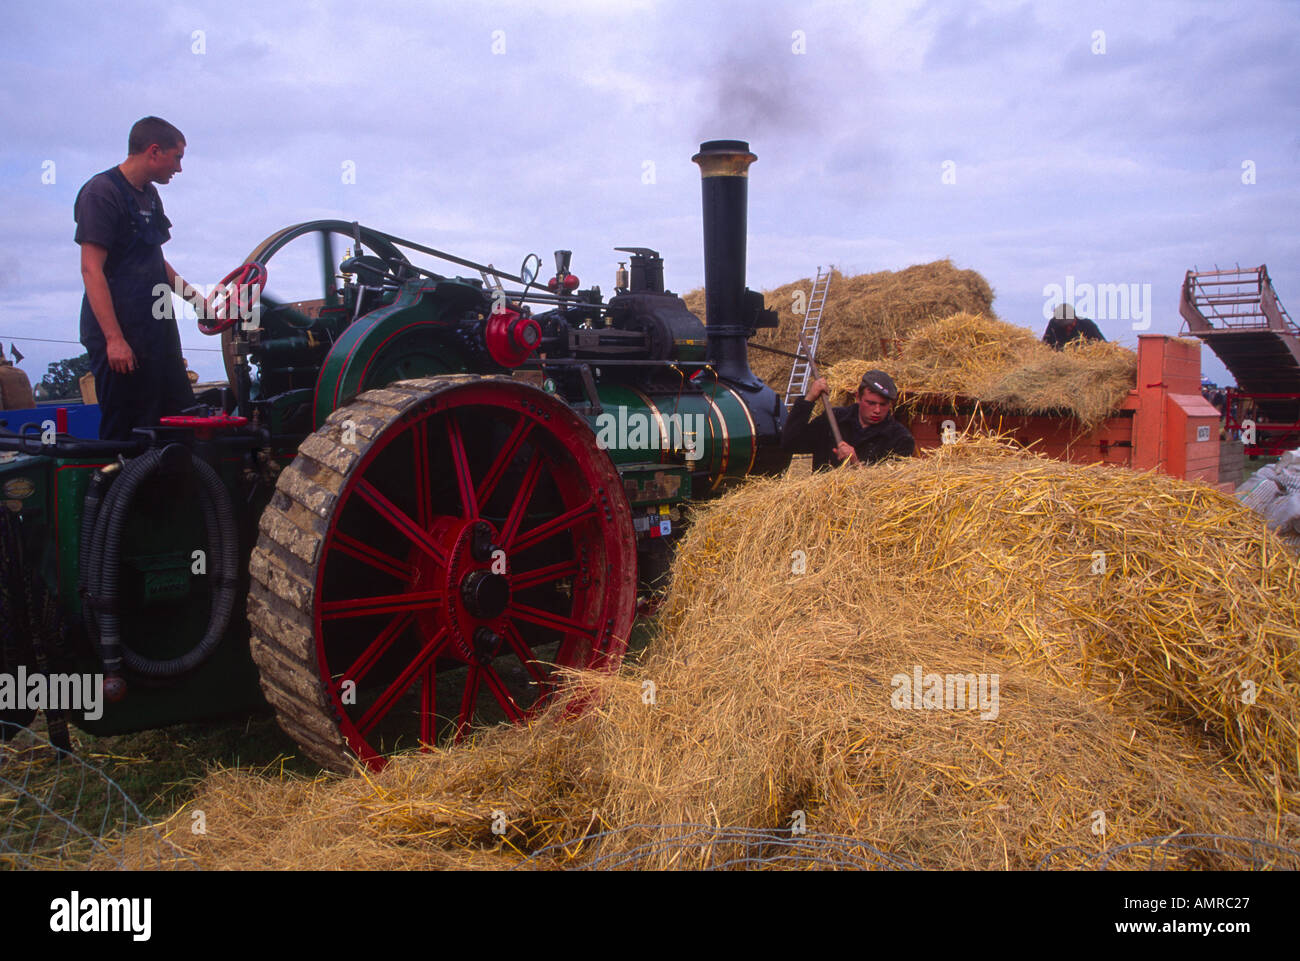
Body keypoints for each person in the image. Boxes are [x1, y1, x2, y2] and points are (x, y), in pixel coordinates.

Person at [76, 116, 203, 441]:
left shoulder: (149, 195)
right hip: (120, 335)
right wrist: (114, 340)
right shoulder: (102, 193)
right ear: (154, 151)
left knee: (177, 420)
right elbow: (92, 269)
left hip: (156, 330)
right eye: (177, 158)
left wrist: (198, 303)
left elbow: (155, 262)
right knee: (128, 430)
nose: (179, 168)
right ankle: (117, 492)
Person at [782, 369, 915, 470]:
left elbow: (890, 490)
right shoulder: (834, 418)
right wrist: (809, 399)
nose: (877, 410)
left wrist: (856, 463)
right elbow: (791, 443)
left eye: (883, 405)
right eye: (871, 403)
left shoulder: (900, 438)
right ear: (858, 397)